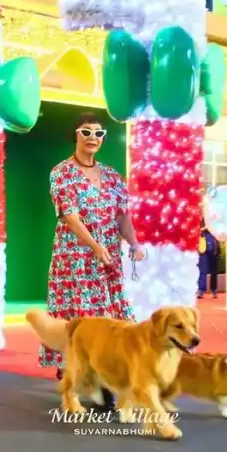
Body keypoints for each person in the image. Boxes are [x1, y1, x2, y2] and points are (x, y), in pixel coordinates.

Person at [38, 112, 144, 409]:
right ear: (75, 135)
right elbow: (69, 216)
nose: (93, 138)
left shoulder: (112, 176)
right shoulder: (62, 173)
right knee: (79, 319)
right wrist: (95, 246)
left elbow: (122, 216)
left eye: (99, 133)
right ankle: (75, 370)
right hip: (75, 261)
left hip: (107, 262)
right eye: (86, 132)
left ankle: (106, 379)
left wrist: (134, 243)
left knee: (112, 321)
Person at [197, 218, 220, 298]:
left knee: (214, 271)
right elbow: (196, 230)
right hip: (203, 247)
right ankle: (201, 290)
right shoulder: (200, 218)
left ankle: (214, 290)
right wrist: (205, 227)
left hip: (214, 248)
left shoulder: (215, 218)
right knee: (203, 270)